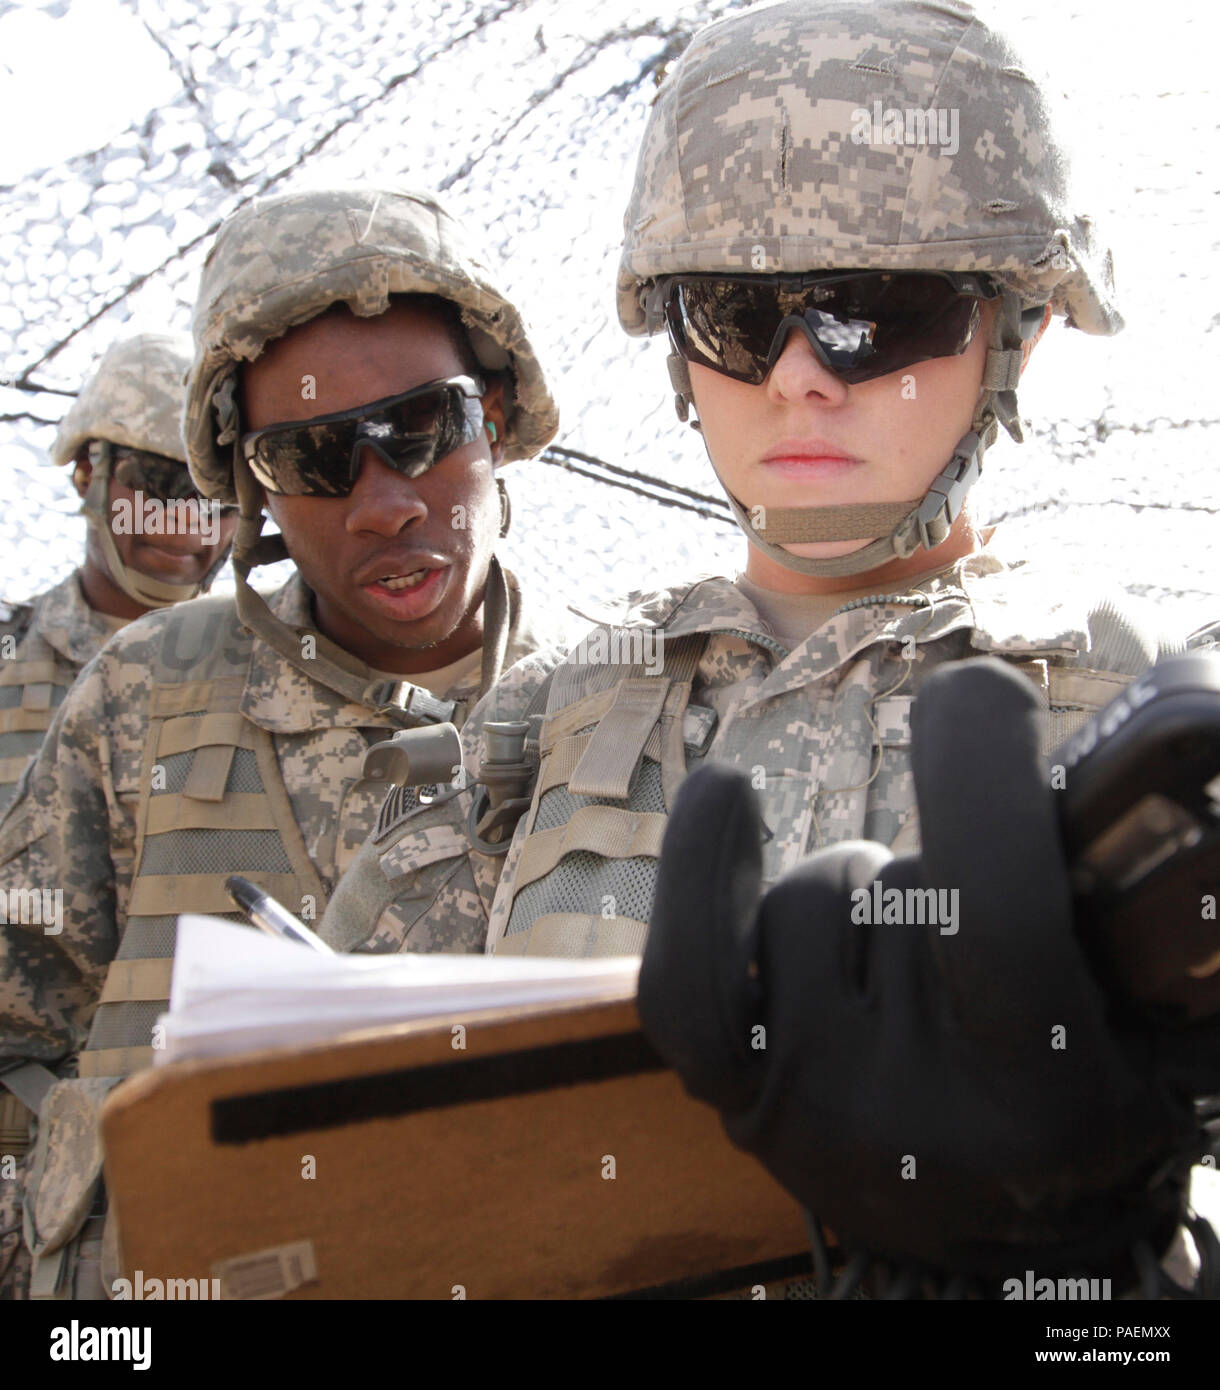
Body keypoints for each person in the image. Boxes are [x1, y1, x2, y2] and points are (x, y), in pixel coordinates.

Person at [321, 0, 1215, 1296]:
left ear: (1015, 330)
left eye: (875, 312)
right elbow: (340, 1148)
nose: (799, 375)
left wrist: (1111, 1247)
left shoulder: (1155, 731)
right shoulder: (540, 723)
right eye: (738, 316)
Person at [0, 185, 566, 1299]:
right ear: (253, 489)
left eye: (421, 428)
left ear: (494, 416)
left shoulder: (623, 714)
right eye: (313, 459)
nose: (383, 503)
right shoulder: (142, 702)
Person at [0, 333, 237, 818]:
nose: (186, 517)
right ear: (89, 473)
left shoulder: (278, 672)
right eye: (158, 482)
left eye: (215, 493)